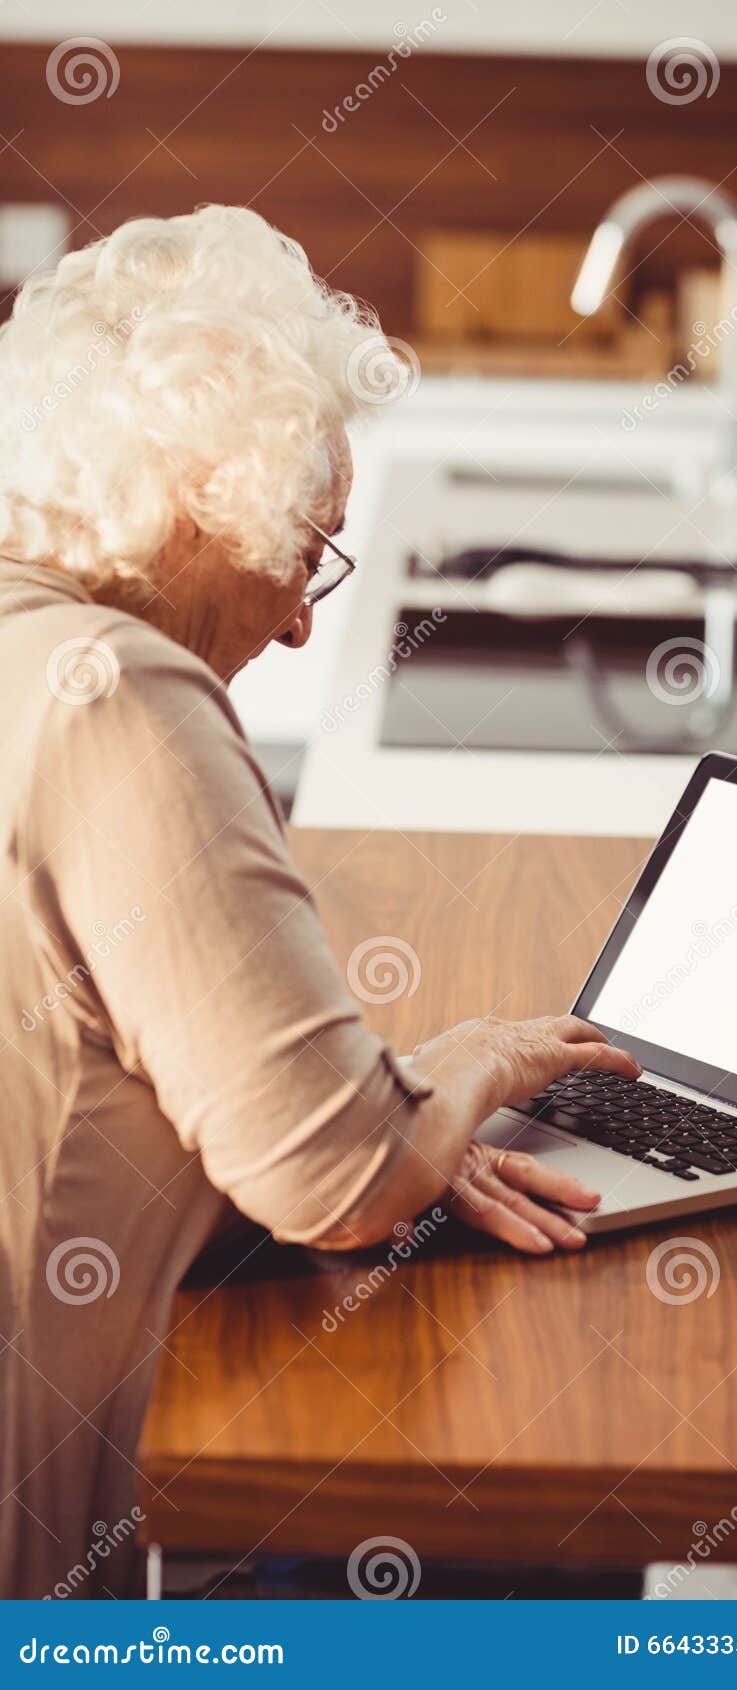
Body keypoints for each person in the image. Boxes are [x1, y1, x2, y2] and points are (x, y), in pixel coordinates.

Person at [0, 205, 639, 1597]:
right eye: (306, 547)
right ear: (191, 500)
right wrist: (458, 1073)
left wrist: (390, 1125)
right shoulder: (122, 701)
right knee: (555, 1546)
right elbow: (337, 1182)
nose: (300, 619)